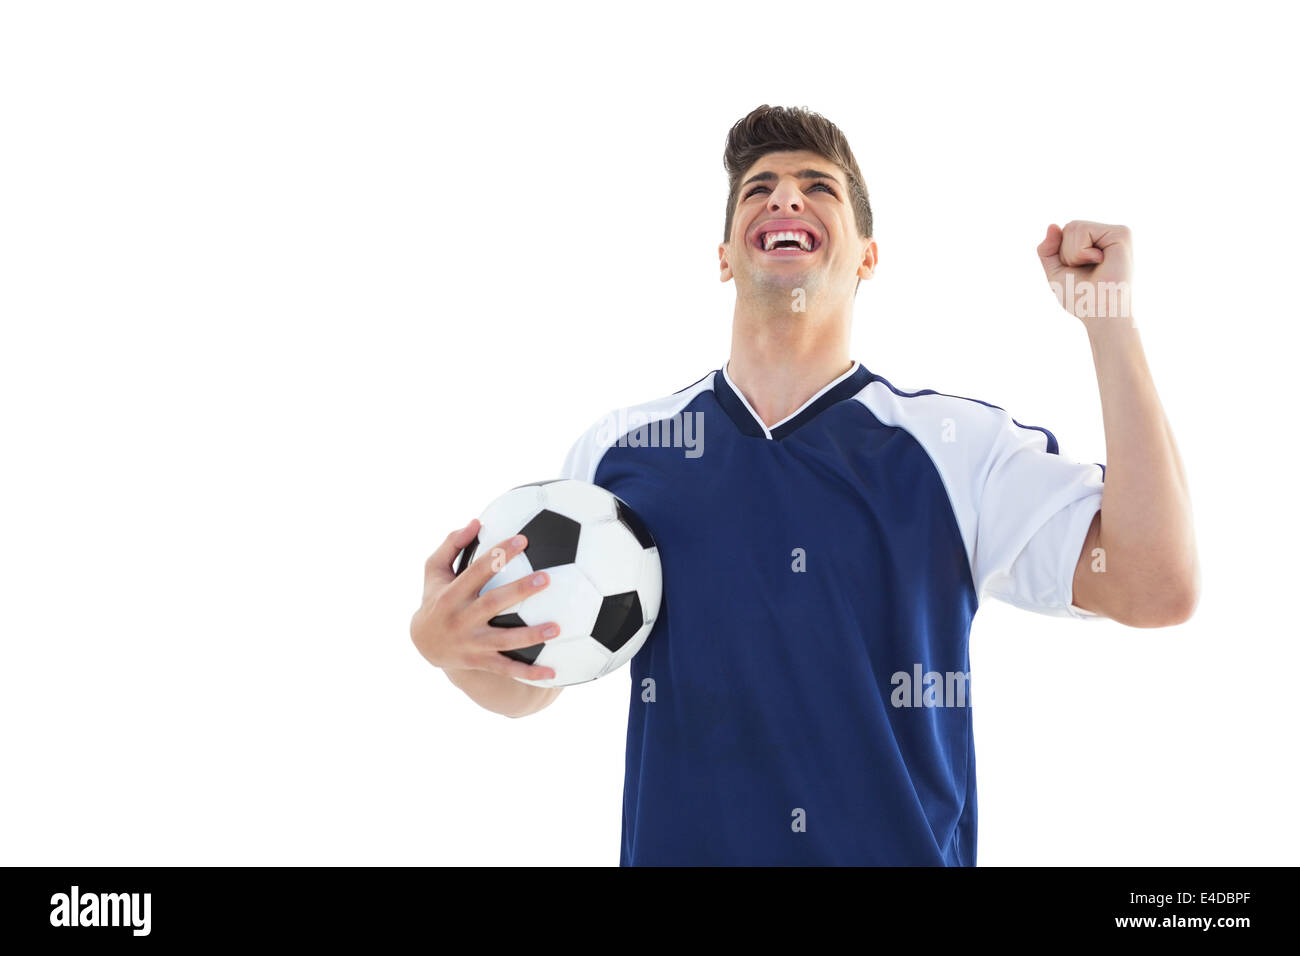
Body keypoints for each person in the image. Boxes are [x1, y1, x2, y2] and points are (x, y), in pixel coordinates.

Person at [410, 104, 1200, 865]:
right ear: (724, 255)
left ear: (868, 256)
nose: (785, 194)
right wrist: (450, 648)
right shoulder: (621, 457)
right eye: (759, 189)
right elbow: (536, 685)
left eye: (818, 187)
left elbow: (1156, 585)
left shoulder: (958, 451)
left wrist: (1110, 320)